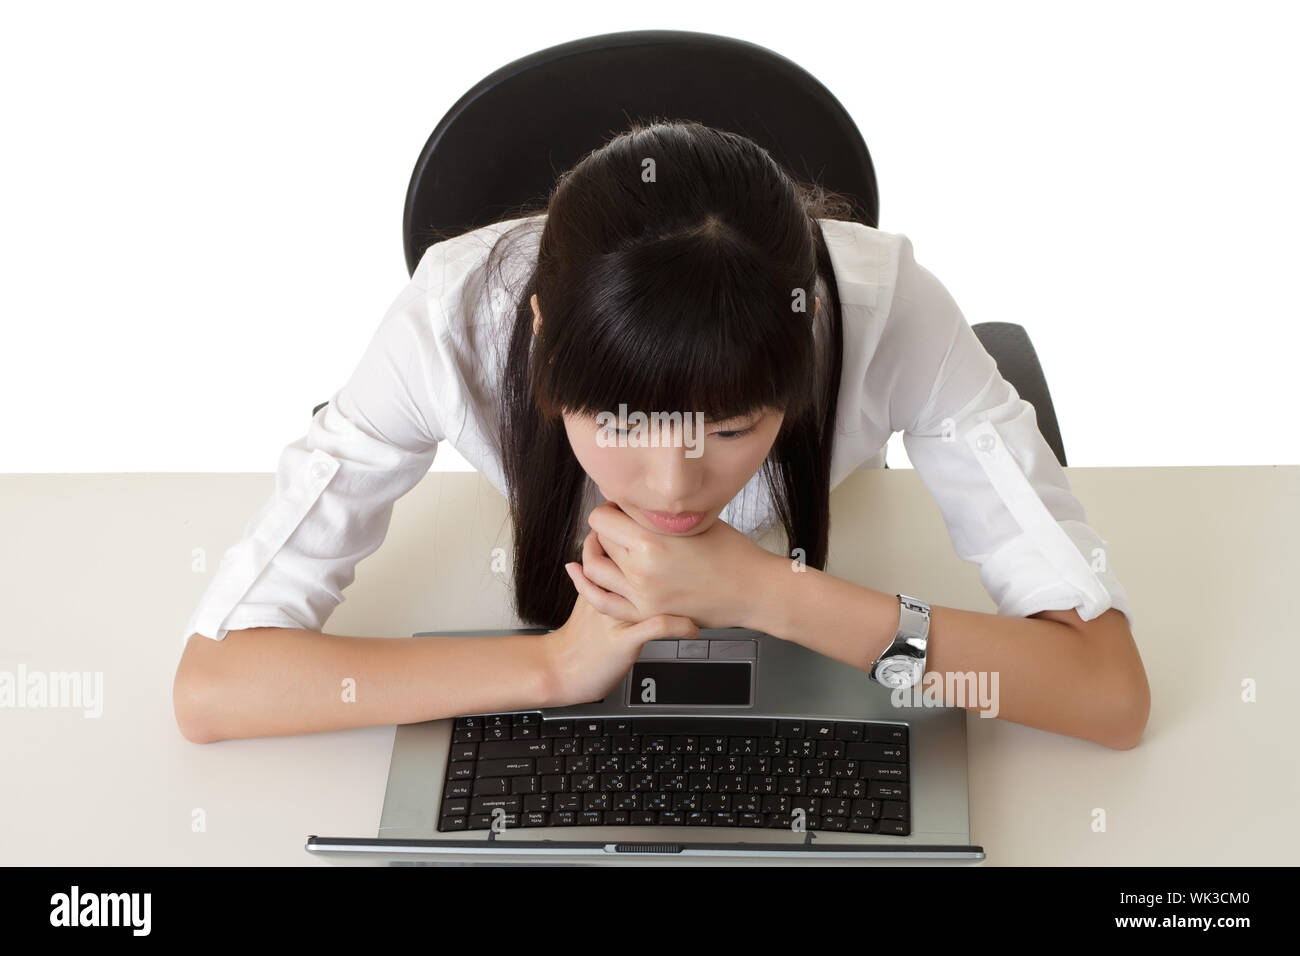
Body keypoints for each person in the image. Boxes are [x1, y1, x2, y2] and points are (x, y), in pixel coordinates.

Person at [172, 119, 1149, 749]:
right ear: (546, 338)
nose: (676, 484)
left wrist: (770, 591)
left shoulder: (888, 311)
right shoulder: (448, 321)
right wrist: (552, 667)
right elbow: (216, 683)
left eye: (732, 426)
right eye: (619, 422)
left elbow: (1105, 688)